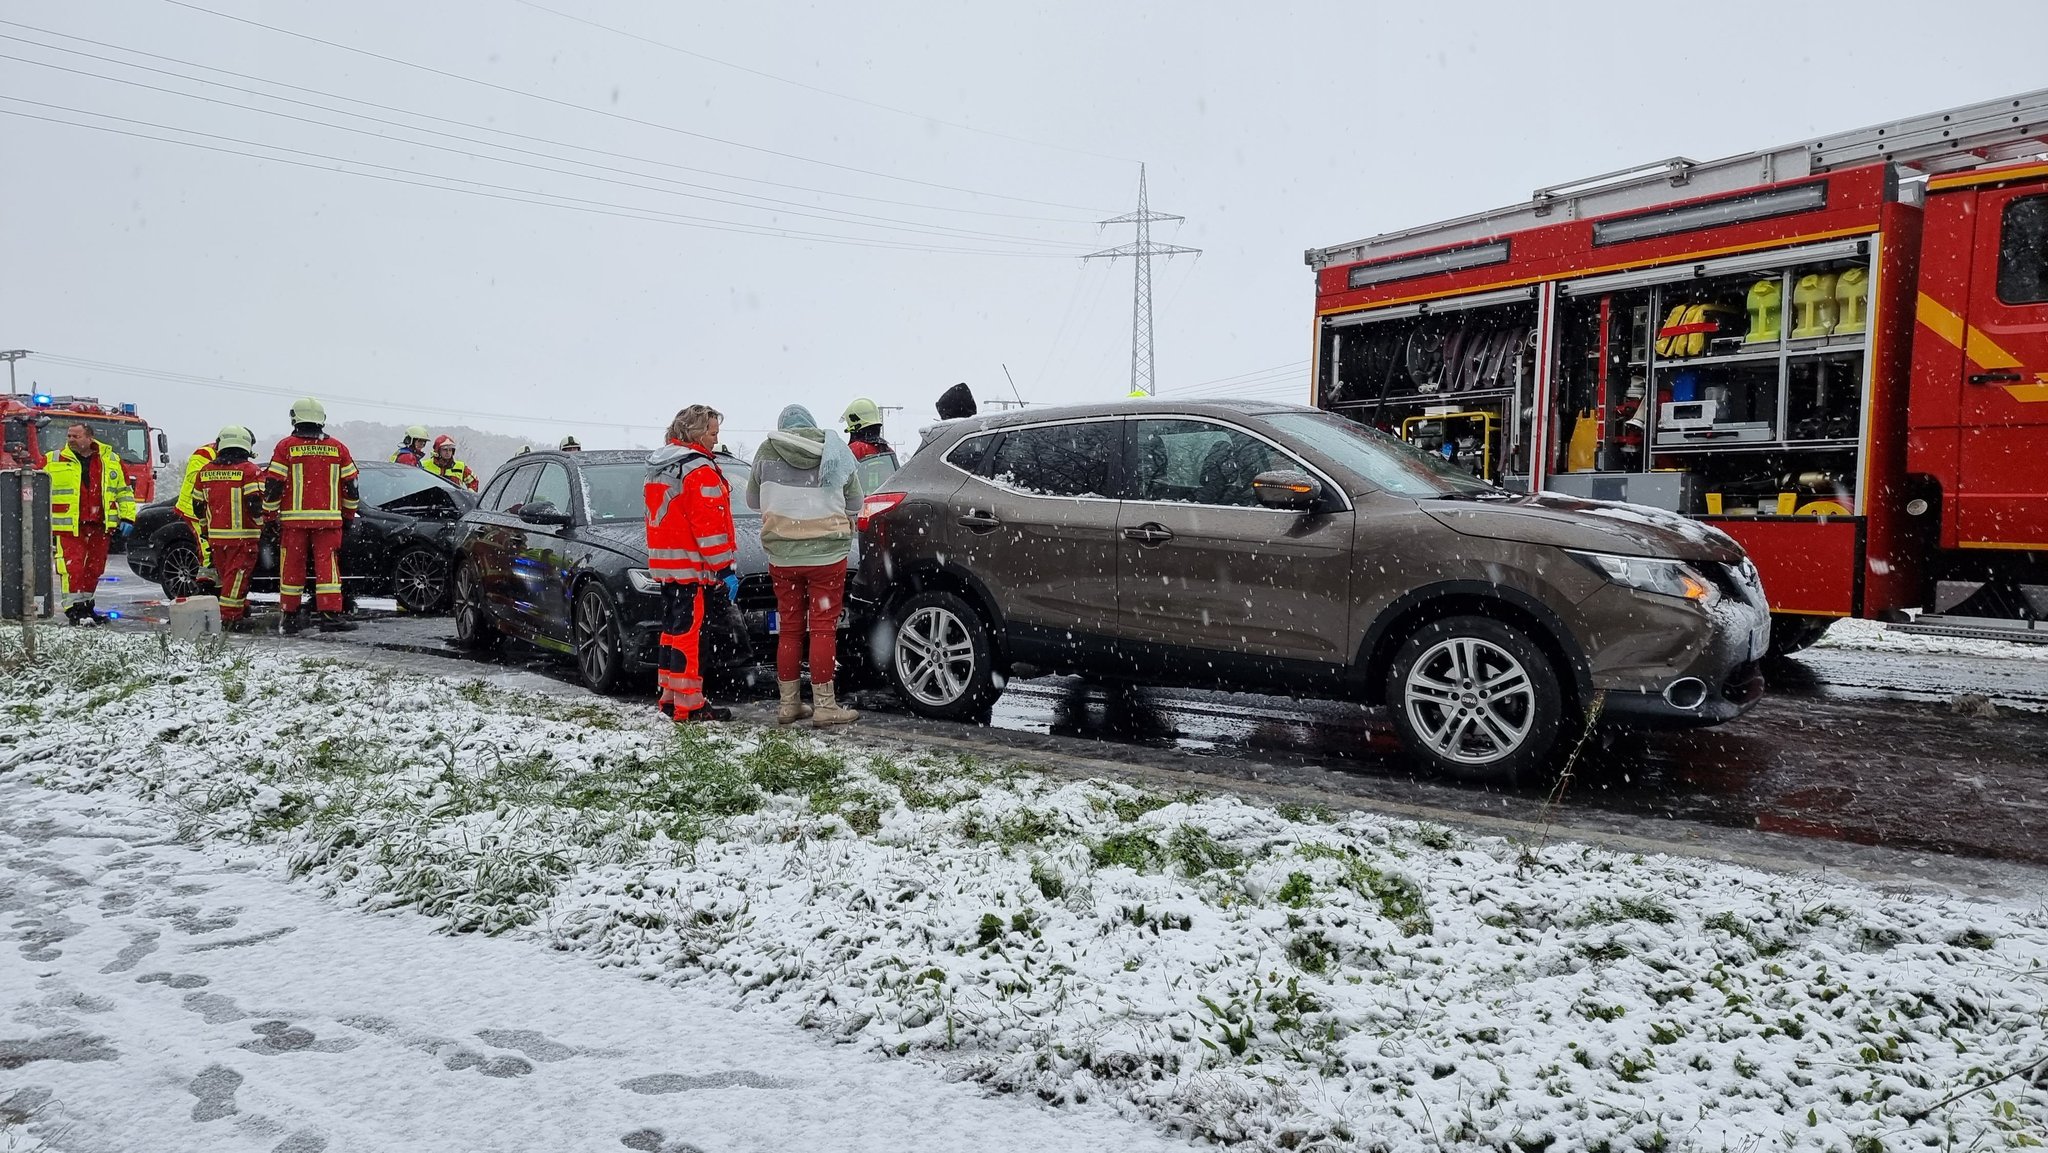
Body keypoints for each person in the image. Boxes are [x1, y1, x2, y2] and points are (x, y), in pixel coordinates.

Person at [747, 405, 862, 728]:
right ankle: (825, 706)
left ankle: (789, 704)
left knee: (790, 627)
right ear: (811, 424)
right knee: (823, 627)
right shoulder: (834, 448)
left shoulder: (767, 449)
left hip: (783, 555)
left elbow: (753, 501)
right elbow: (855, 503)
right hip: (827, 554)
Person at [644, 404, 739, 723]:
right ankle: (690, 705)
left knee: (672, 631)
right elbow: (709, 527)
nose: (716, 439)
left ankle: (670, 697)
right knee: (690, 634)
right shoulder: (699, 470)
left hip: (668, 567)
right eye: (712, 432)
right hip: (693, 569)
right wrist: (724, 568)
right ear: (696, 432)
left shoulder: (661, 465)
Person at [264, 397, 360, 633]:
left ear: (295, 418)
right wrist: (348, 515)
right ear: (322, 420)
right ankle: (330, 615)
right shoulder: (338, 448)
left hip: (293, 522)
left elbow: (274, 485)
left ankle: (290, 616)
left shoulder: (285, 447)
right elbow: (351, 486)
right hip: (328, 522)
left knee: (292, 567)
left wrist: (269, 517)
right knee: (328, 568)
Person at [44, 422, 136, 625]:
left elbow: (124, 492)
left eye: (75, 436)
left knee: (94, 569)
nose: (70, 440)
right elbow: (37, 488)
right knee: (72, 567)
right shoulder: (53, 460)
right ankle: (74, 609)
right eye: (69, 436)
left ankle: (86, 606)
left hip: (100, 525)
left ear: (89, 438)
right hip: (69, 526)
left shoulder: (111, 460)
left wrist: (128, 516)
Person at [189, 425, 266, 631]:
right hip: (243, 536)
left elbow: (198, 506)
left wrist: (206, 529)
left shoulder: (205, 471)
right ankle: (229, 618)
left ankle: (240, 608)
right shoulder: (249, 471)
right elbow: (255, 505)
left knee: (227, 577)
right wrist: (266, 524)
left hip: (216, 536)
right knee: (237, 577)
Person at [173, 435, 219, 581]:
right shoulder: (204, 454)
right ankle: (206, 585)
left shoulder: (220, 454)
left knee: (212, 546)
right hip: (193, 508)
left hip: (205, 508)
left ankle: (212, 581)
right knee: (206, 548)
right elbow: (198, 480)